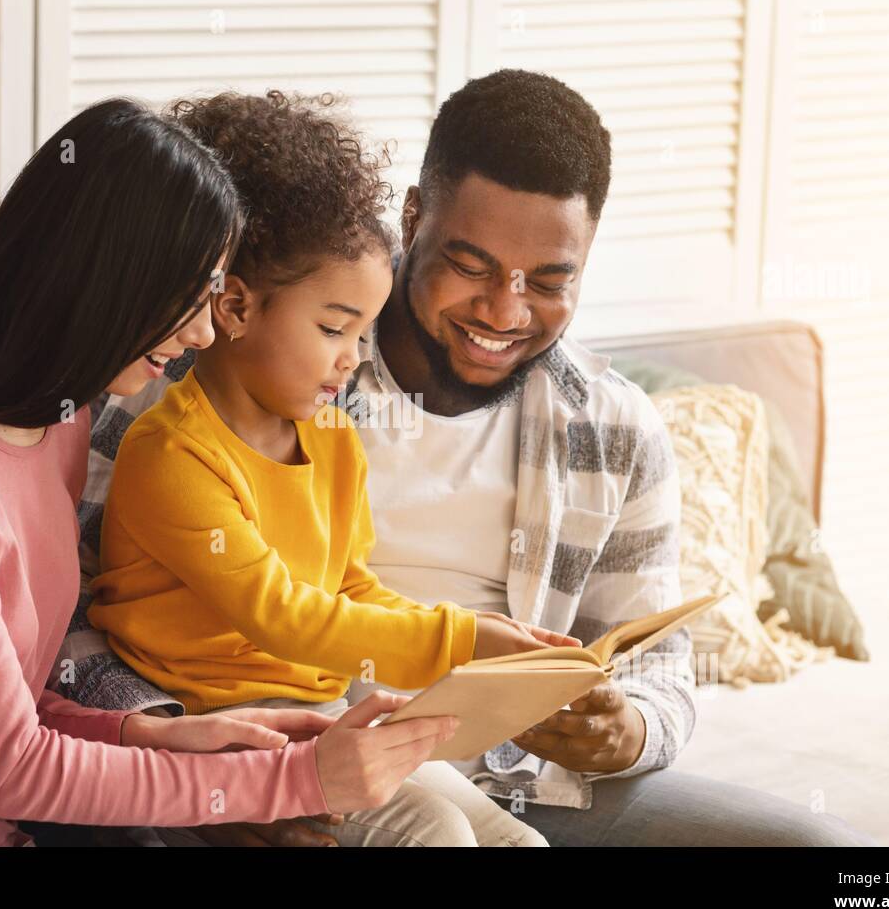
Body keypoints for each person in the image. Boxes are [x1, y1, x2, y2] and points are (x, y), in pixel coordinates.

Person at [61, 71, 877, 847]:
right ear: (413, 218)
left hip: (527, 777)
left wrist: (624, 730)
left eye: (549, 280)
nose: (503, 311)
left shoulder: (614, 428)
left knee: (828, 848)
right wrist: (195, 767)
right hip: (293, 739)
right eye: (472, 266)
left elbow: (658, 674)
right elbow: (66, 622)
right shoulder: (218, 367)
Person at [0, 98, 455, 848]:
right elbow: (11, 767)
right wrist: (295, 778)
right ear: (107, 275)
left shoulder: (59, 424)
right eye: (192, 294)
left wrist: (156, 735)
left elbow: (5, 715)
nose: (204, 332)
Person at [90, 92, 571, 847]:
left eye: (363, 332)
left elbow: (349, 587)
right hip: (227, 734)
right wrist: (461, 638)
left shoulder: (333, 441)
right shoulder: (170, 453)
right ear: (238, 308)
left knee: (518, 841)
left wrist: (471, 637)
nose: (352, 359)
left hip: (329, 718)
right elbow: (283, 614)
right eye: (334, 328)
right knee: (436, 835)